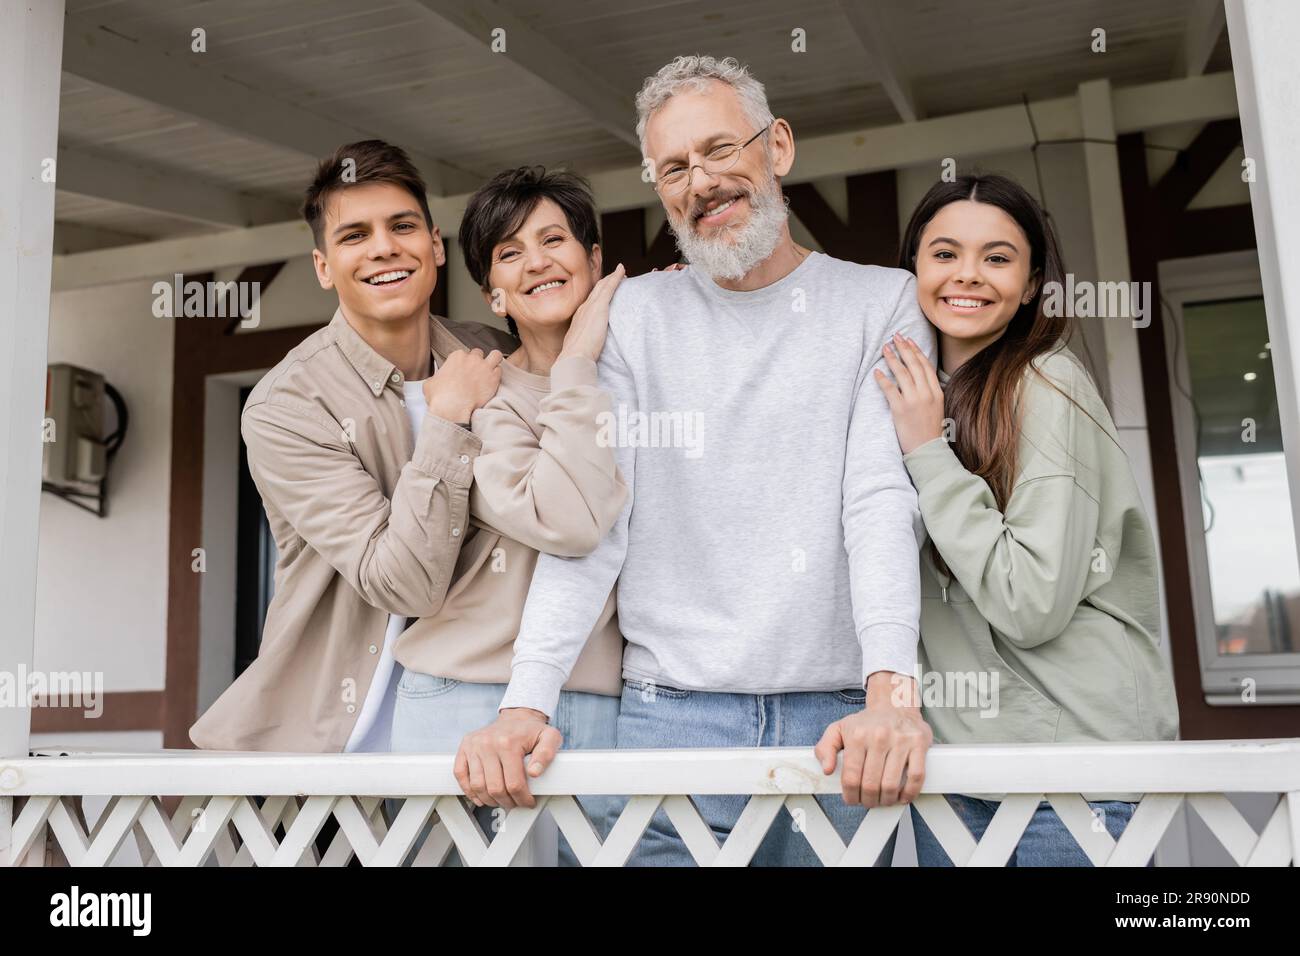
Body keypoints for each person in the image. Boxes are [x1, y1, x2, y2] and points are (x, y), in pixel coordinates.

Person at [456, 55, 936, 867]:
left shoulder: (881, 301)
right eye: (673, 167)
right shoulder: (636, 315)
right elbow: (601, 527)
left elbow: (881, 502)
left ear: (777, 147)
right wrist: (523, 703)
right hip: (669, 718)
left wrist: (891, 692)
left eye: (720, 150)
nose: (701, 180)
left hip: (842, 721)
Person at [875, 173, 1179, 866]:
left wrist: (928, 451)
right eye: (945, 254)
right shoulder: (902, 393)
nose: (969, 276)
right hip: (954, 768)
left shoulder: (1047, 381)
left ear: (1033, 279)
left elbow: (1031, 601)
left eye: (998, 258)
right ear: (912, 269)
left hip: (1072, 764)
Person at [190, 139, 513, 754]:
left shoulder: (494, 353)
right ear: (323, 266)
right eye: (355, 235)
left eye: (402, 225)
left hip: (480, 731)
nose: (384, 247)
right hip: (337, 751)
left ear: (435, 244)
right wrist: (447, 420)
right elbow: (404, 585)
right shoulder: (288, 405)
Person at [390, 167, 629, 864]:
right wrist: (577, 360)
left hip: (603, 699)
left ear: (592, 260)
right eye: (510, 253)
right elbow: (566, 520)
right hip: (465, 698)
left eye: (554, 240)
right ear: (493, 290)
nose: (537, 262)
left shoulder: (639, 386)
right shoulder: (481, 398)